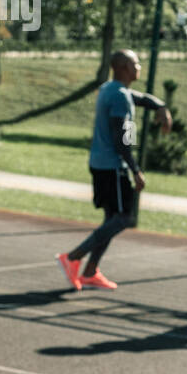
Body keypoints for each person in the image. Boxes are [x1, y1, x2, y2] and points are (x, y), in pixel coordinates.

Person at [57, 50, 171, 291]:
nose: (139, 66)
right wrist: (135, 170)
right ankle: (73, 257)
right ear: (122, 68)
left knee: (112, 218)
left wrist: (160, 106)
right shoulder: (120, 97)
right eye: (134, 63)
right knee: (123, 218)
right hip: (112, 166)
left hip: (101, 163)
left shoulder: (112, 89)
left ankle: (90, 271)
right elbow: (122, 140)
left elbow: (139, 98)